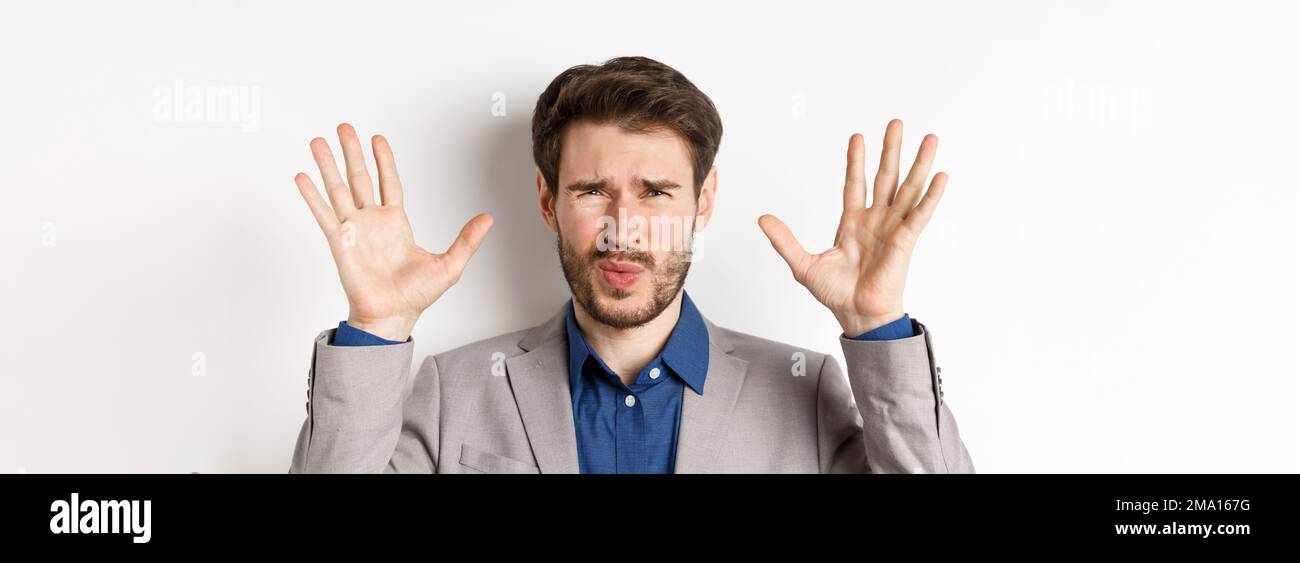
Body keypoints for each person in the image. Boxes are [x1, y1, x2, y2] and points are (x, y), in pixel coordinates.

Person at [288, 56, 973, 473]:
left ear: (703, 201)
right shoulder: (451, 391)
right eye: (592, 190)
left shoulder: (806, 391)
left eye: (656, 191)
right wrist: (375, 328)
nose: (624, 228)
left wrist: (877, 324)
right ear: (549, 201)